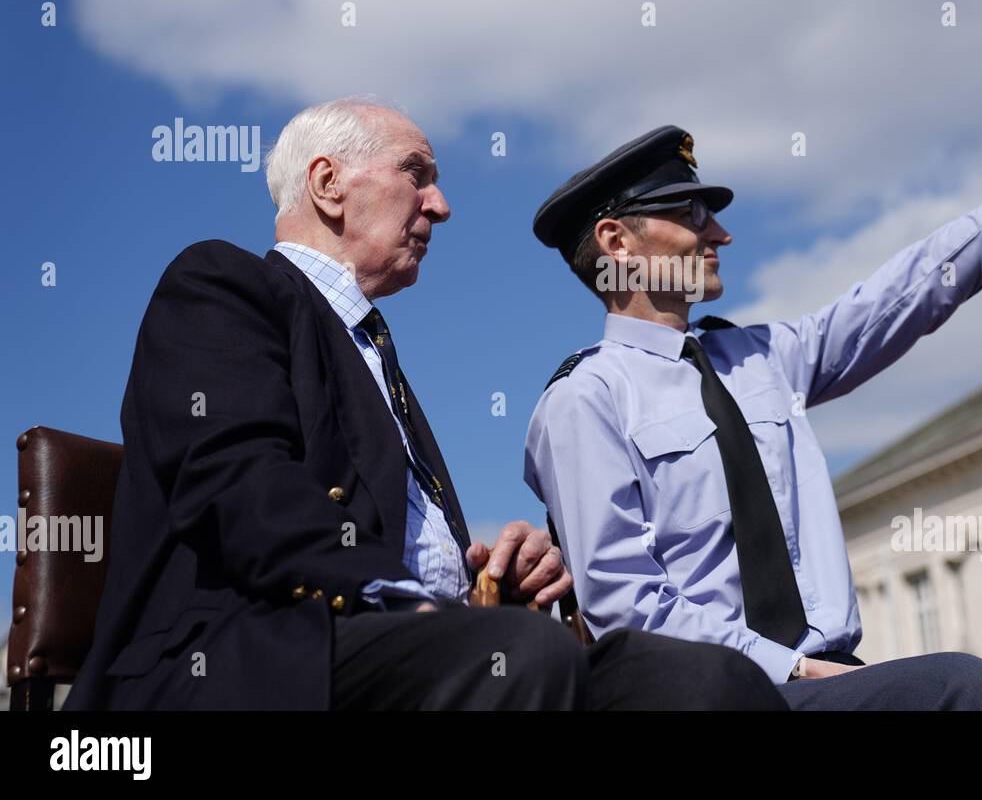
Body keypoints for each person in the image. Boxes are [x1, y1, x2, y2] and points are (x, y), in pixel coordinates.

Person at [65, 97, 787, 711]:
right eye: (417, 175)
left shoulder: (377, 355)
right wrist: (404, 598)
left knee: (705, 679)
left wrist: (488, 590)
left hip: (402, 641)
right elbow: (237, 483)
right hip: (240, 662)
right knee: (519, 655)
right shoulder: (223, 285)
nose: (440, 206)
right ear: (327, 184)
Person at [525, 74, 982, 709]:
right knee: (956, 687)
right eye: (692, 212)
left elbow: (909, 293)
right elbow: (627, 610)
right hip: (723, 690)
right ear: (617, 242)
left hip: (830, 680)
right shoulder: (585, 400)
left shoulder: (763, 357)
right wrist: (795, 667)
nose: (719, 233)